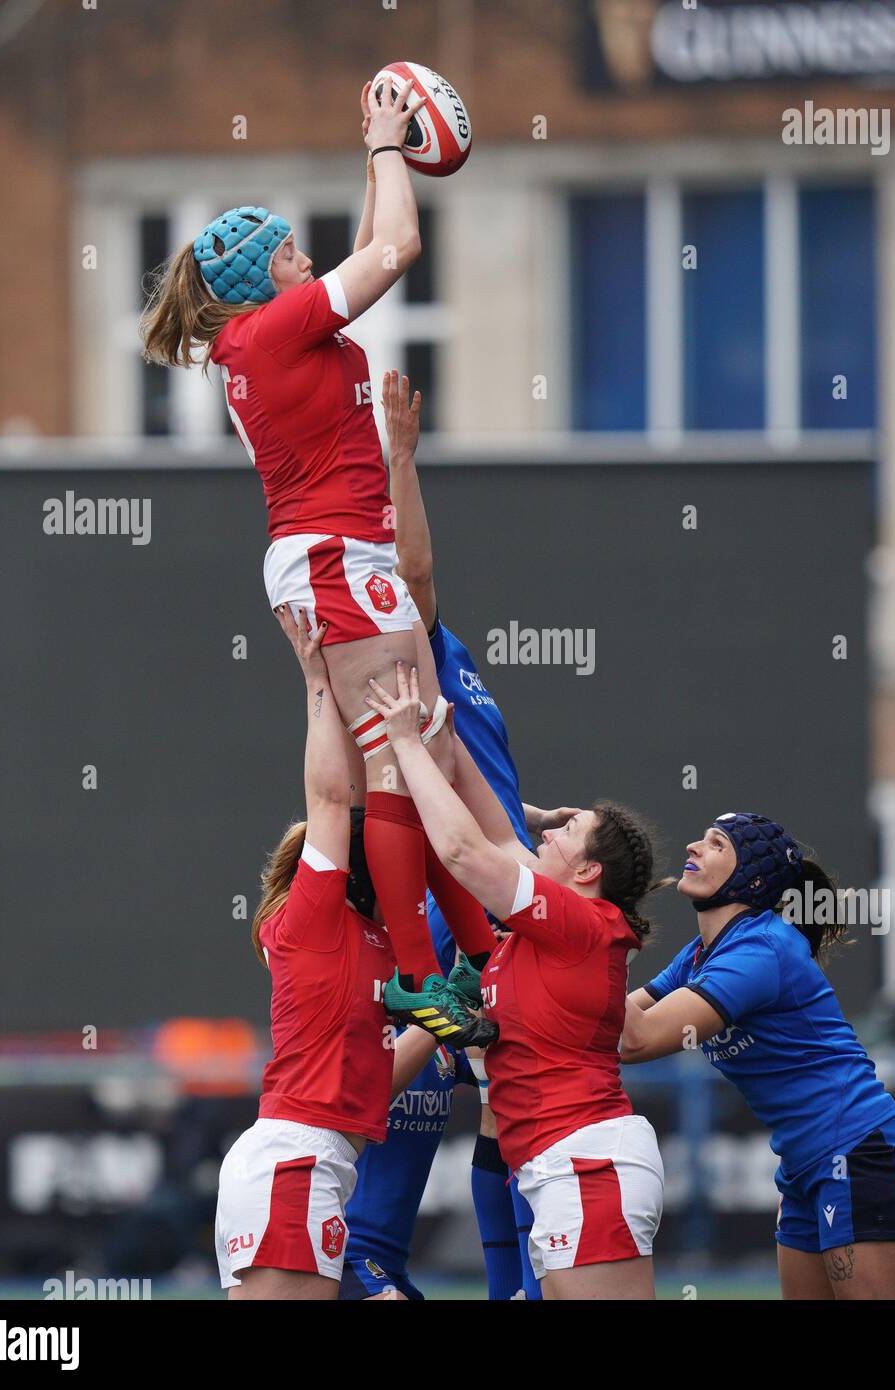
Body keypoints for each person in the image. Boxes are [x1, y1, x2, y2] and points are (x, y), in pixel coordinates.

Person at [141, 78, 496, 1041]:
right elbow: (398, 251)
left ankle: (482, 962)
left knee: (438, 752)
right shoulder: (276, 326)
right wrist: (386, 145)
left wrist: (383, 151)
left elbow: (376, 246)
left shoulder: (265, 332)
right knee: (399, 760)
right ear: (264, 275)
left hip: (346, 550)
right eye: (293, 249)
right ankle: (423, 978)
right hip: (332, 554)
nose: (309, 257)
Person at [363, 663, 668, 1299]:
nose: (549, 829)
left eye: (568, 832)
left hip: (584, 1163)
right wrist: (445, 737)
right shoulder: (571, 915)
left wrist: (406, 745)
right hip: (558, 1166)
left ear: (586, 871)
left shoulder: (574, 919)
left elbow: (465, 853)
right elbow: (499, 830)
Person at [339, 371, 547, 1301]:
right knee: (482, 1079)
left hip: (495, 872)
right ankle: (369, 1267)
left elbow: (483, 778)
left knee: (485, 1095)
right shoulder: (402, 656)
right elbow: (413, 572)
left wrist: (533, 820)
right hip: (465, 897)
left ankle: (380, 1265)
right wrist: (400, 458)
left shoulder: (449, 662)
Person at [620, 812, 895, 1300]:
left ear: (753, 877)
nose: (694, 847)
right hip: (805, 1165)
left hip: (860, 1152)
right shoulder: (701, 954)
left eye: (717, 844)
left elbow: (636, 1039)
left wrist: (584, 937)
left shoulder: (759, 949)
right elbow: (612, 1032)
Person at [215, 605, 432, 1298]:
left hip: (316, 1164)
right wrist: (320, 682)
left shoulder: (374, 942)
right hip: (294, 1163)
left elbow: (369, 1079)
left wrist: (441, 1020)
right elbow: (332, 800)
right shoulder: (315, 916)